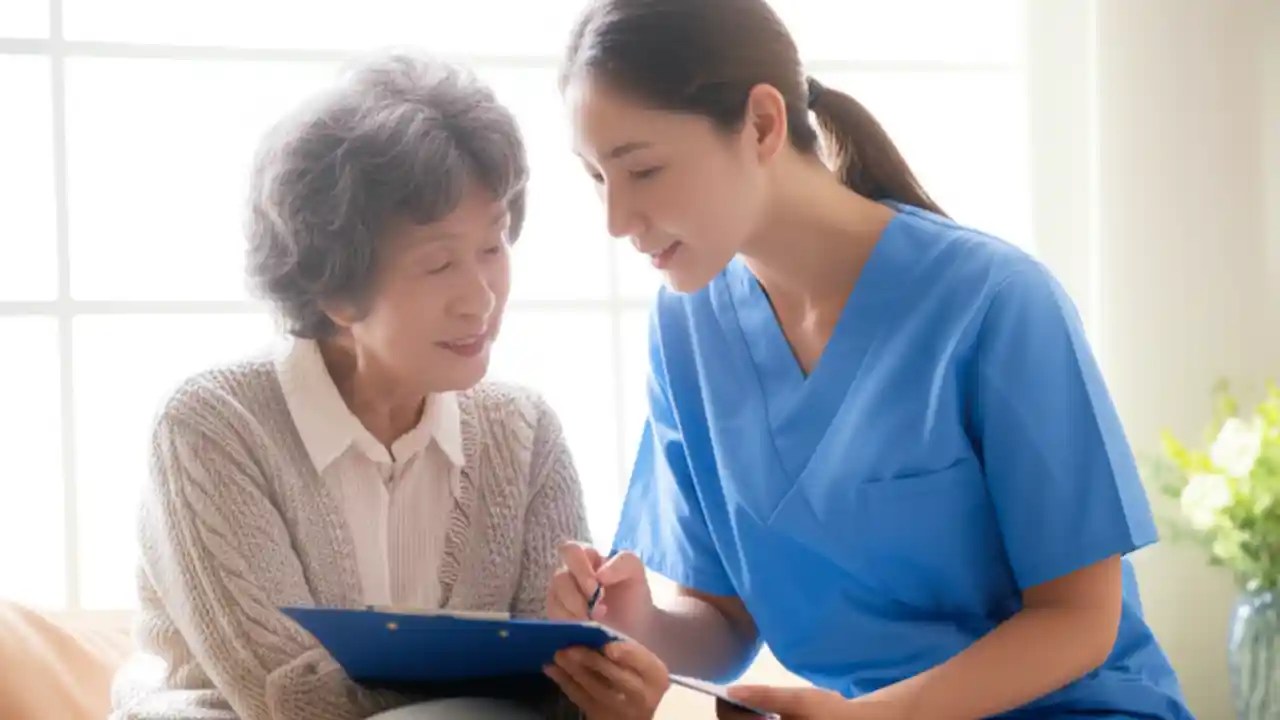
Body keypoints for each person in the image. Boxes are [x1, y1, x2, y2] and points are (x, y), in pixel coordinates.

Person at [544, 1, 1194, 719]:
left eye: (643, 170)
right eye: (596, 179)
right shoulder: (687, 329)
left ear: (762, 124)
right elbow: (725, 627)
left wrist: (870, 718)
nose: (616, 221)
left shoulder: (997, 303)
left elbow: (1079, 620)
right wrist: (635, 625)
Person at [109, 53, 593, 720]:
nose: (481, 297)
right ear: (335, 287)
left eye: (494, 245)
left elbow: (563, 692)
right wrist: (505, 700)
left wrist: (609, 689)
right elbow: (288, 697)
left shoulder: (526, 432)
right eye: (439, 263)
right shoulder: (211, 426)